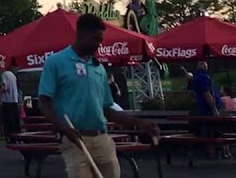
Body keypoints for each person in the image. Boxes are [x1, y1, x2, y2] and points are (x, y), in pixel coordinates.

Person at [38, 14, 160, 178]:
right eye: (96, 39)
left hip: (102, 138)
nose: (99, 44)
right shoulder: (56, 62)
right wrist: (64, 129)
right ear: (82, 35)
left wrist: (139, 123)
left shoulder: (99, 68)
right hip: (75, 140)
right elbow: (44, 102)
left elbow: (106, 109)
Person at [0, 67, 22, 138]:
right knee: (15, 120)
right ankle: (18, 136)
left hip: (7, 101)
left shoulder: (4, 74)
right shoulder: (13, 75)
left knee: (8, 121)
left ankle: (10, 137)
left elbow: (5, 87)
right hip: (14, 100)